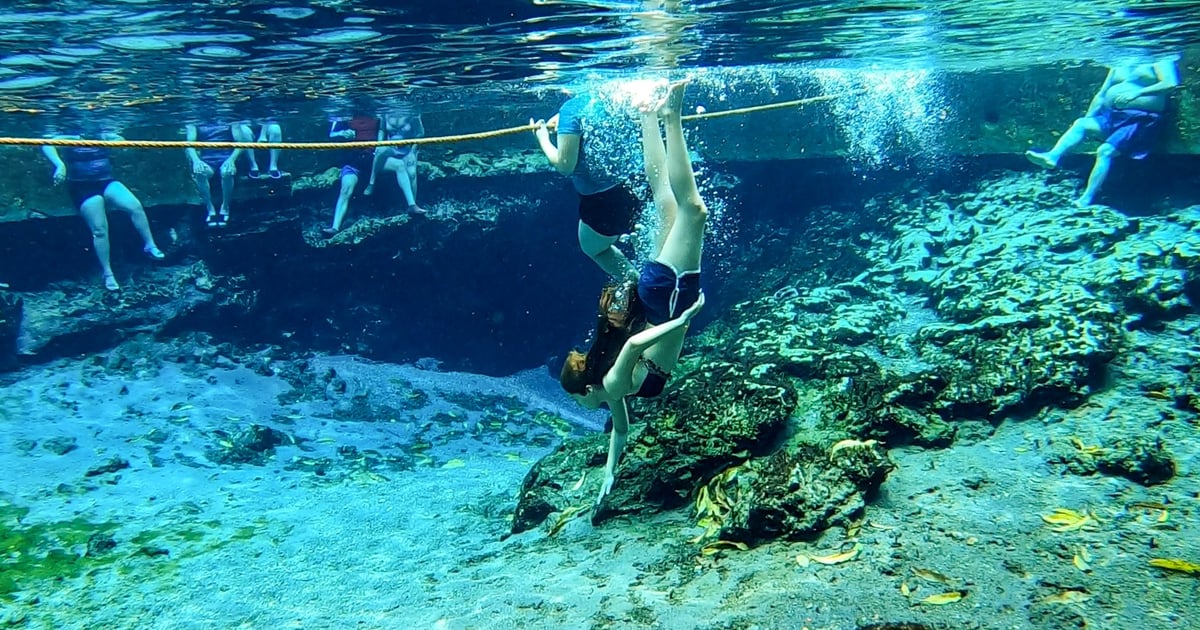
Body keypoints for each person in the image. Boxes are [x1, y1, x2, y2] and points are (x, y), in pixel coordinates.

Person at [558, 80, 706, 503]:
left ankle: (669, 116)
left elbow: (636, 342)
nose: (582, 409)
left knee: (692, 210)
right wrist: (609, 473)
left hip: (668, 298)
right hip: (659, 295)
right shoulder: (613, 395)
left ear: (587, 389)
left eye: (578, 402)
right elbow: (621, 430)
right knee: (666, 202)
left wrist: (682, 321)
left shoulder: (614, 381)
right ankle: (648, 112)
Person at [1026, 56, 1180, 207]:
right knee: (1081, 124)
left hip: (1139, 120)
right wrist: (1089, 117)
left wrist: (1137, 94)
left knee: (1104, 151)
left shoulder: (1160, 57)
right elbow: (1101, 94)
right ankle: (1052, 156)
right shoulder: (1119, 62)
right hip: (1111, 116)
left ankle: (1086, 199)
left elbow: (1170, 83)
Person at [532, 91, 643, 282]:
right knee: (646, 236)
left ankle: (635, 282)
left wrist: (542, 138)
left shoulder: (571, 108)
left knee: (593, 248)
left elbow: (565, 165)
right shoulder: (615, 95)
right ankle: (660, 288)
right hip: (640, 184)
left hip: (604, 202)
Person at [42, 127, 164, 291]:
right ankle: (108, 273)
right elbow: (46, 143)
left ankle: (150, 244)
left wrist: (119, 141)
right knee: (100, 229)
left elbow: (119, 141)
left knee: (135, 206)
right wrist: (59, 165)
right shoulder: (70, 133)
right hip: (82, 187)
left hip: (106, 181)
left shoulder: (101, 131)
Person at [325, 113, 383, 235]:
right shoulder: (345, 113)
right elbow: (331, 134)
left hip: (374, 159)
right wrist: (342, 133)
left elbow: (386, 133)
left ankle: (412, 206)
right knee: (346, 189)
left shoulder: (379, 115)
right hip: (353, 159)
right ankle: (335, 227)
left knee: (399, 167)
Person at [364, 111, 425, 214]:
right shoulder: (385, 112)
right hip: (391, 147)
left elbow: (420, 133)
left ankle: (412, 205)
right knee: (381, 150)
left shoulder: (413, 113)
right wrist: (379, 143)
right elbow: (382, 130)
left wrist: (412, 152)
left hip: (407, 149)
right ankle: (371, 183)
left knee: (411, 173)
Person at [184, 122, 243, 227]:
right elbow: (189, 144)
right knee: (200, 172)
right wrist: (196, 161)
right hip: (207, 159)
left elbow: (240, 144)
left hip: (226, 157)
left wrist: (231, 160)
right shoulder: (195, 121)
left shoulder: (231, 120)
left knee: (227, 172)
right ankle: (209, 208)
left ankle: (225, 206)